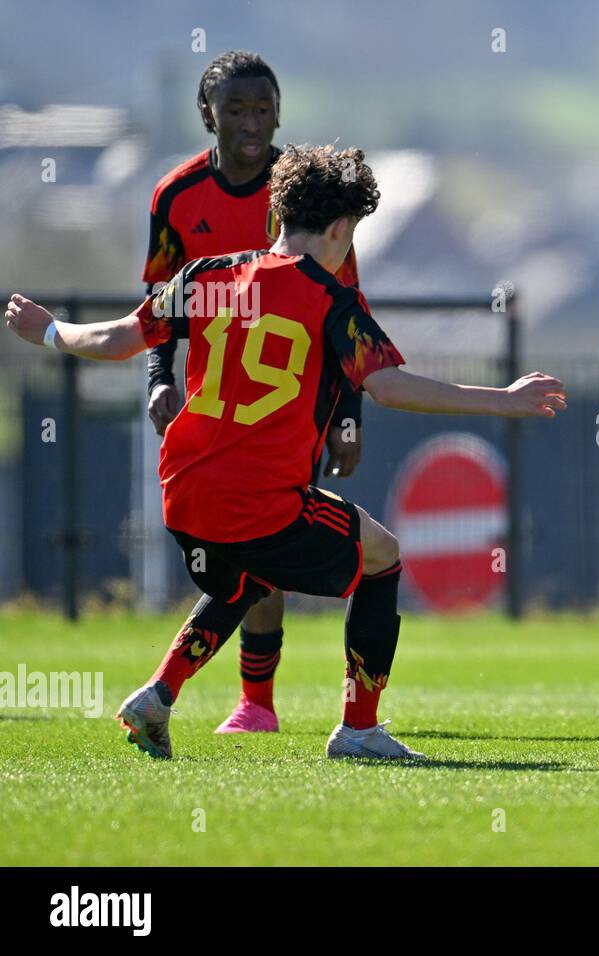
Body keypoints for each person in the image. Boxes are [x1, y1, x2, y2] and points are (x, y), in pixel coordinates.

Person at [6, 144, 567, 760]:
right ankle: (358, 729)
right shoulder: (330, 300)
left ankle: (157, 696)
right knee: (381, 557)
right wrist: (502, 399)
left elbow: (119, 339)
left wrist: (51, 331)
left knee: (248, 575)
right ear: (339, 229)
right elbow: (389, 385)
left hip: (185, 495)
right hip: (261, 500)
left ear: (276, 215)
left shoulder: (207, 278)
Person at [144, 51, 367, 731]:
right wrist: (158, 378)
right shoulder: (176, 197)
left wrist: (347, 419)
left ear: (278, 112)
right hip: (213, 397)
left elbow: (347, 310)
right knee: (235, 551)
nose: (251, 122)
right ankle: (228, 697)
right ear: (206, 113)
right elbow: (156, 300)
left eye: (263, 109)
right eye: (235, 108)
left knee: (263, 535)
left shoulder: (304, 190)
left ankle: (254, 701)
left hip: (288, 399)